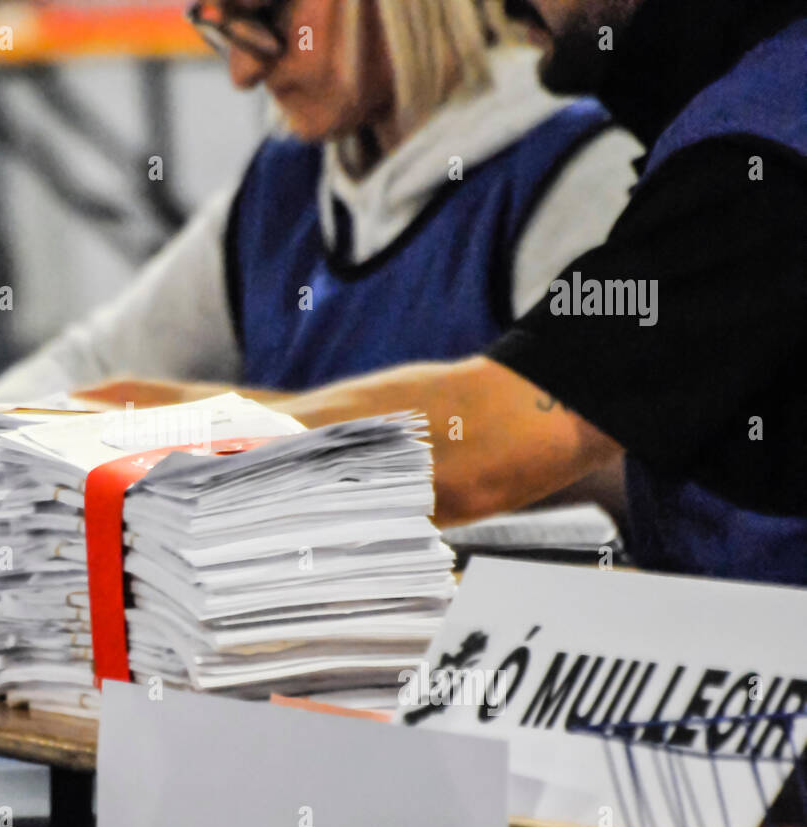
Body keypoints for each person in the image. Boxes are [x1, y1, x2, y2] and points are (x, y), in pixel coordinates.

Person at [231, 0, 807, 586]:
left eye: (265, 17)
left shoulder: (762, 155)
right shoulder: (731, 123)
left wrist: (180, 447)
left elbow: (484, 448)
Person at [0, 0, 640, 411]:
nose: (241, 72)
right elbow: (93, 369)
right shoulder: (292, 176)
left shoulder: (572, 173)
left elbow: (569, 462)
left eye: (265, 13)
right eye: (218, 20)